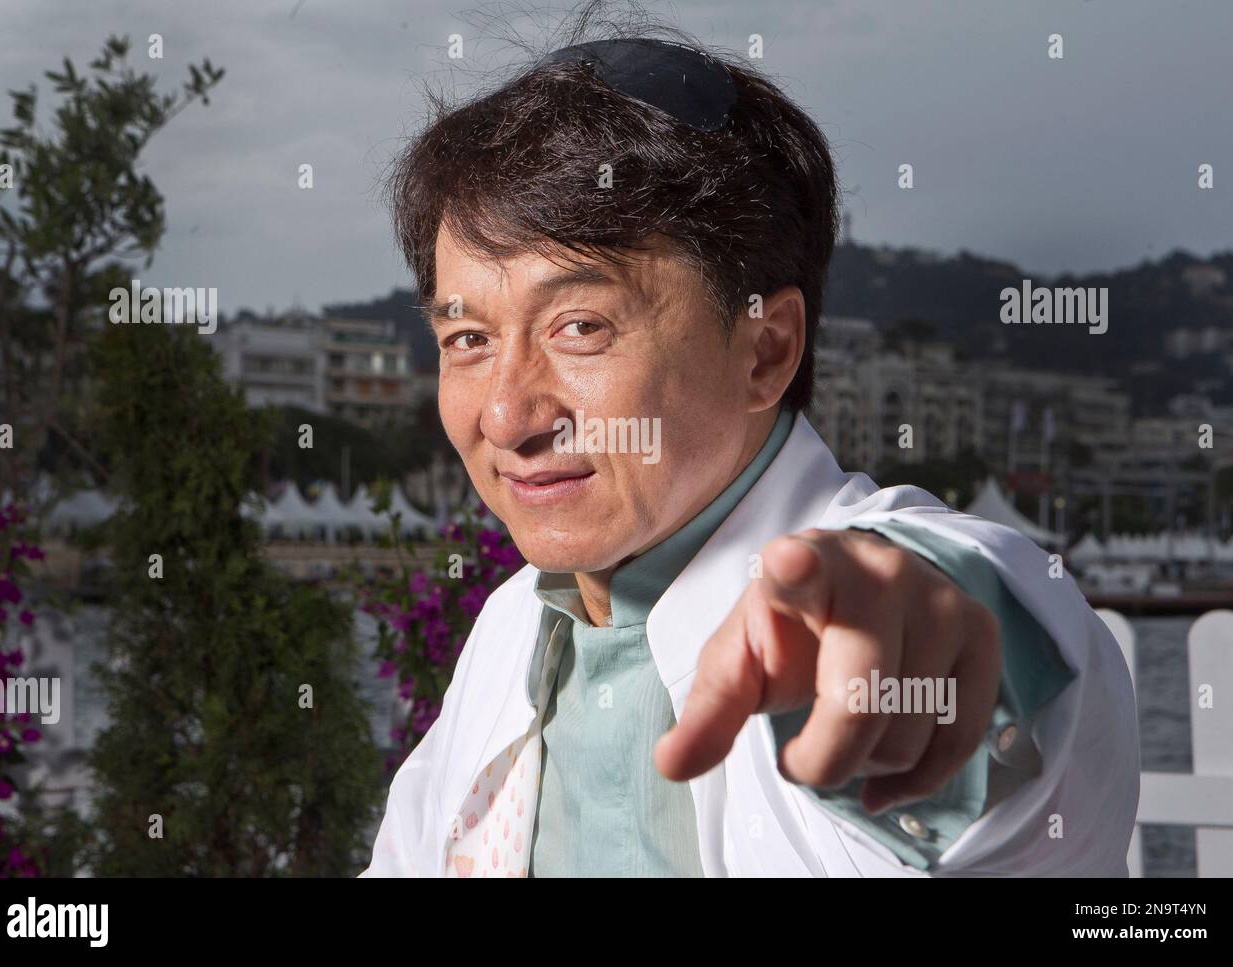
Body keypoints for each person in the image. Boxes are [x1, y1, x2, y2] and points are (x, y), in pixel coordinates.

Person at [360, 27, 1139, 877]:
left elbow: (967, 625)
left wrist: (919, 645)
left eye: (580, 326)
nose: (507, 414)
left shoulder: (859, 598)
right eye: (468, 336)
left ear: (765, 350)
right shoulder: (514, 630)